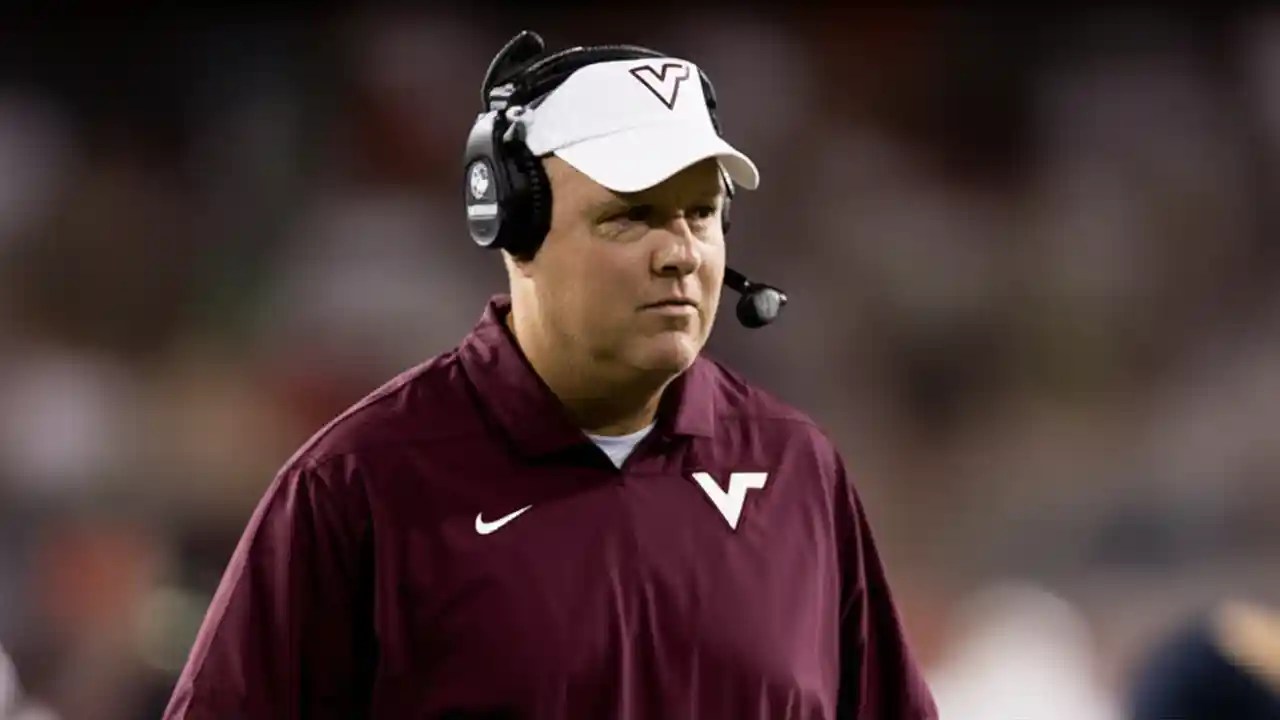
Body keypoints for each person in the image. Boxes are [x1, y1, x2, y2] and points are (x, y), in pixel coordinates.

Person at [162, 30, 938, 719]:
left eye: (700, 214)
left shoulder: (796, 468)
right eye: (629, 216)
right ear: (514, 223)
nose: (680, 253)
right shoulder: (361, 482)